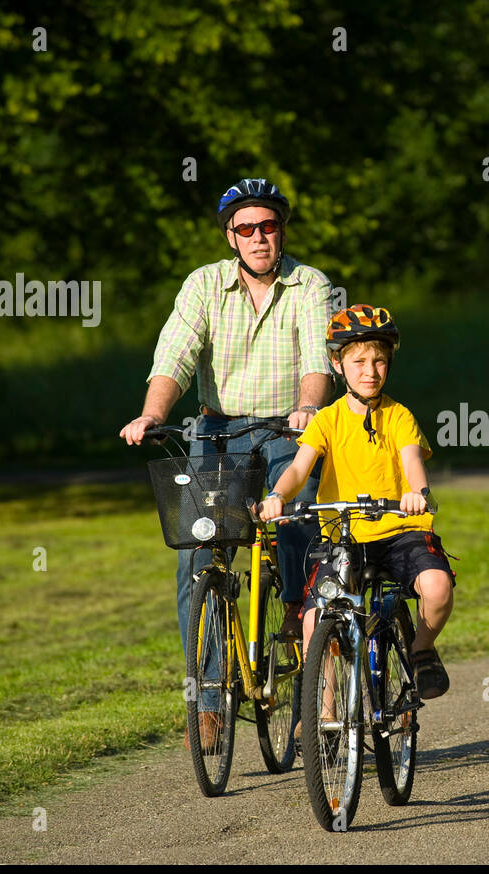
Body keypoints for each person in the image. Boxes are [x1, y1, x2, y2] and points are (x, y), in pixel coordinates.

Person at [120, 177, 334, 749]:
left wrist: (309, 408)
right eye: (247, 229)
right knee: (197, 561)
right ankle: (209, 702)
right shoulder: (204, 285)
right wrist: (150, 415)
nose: (259, 237)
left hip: (291, 425)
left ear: (281, 231)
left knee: (297, 523)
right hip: (219, 429)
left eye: (268, 226)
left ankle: (297, 621)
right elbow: (176, 353)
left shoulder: (309, 283)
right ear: (231, 237)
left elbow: (319, 357)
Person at [256, 304, 454, 700]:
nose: (371, 370)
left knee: (437, 588)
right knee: (315, 622)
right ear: (337, 363)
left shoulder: (399, 416)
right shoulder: (327, 419)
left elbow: (412, 461)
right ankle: (325, 715)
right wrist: (278, 495)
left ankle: (422, 648)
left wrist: (417, 493)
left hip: (400, 530)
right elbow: (298, 469)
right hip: (343, 536)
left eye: (380, 361)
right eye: (359, 361)